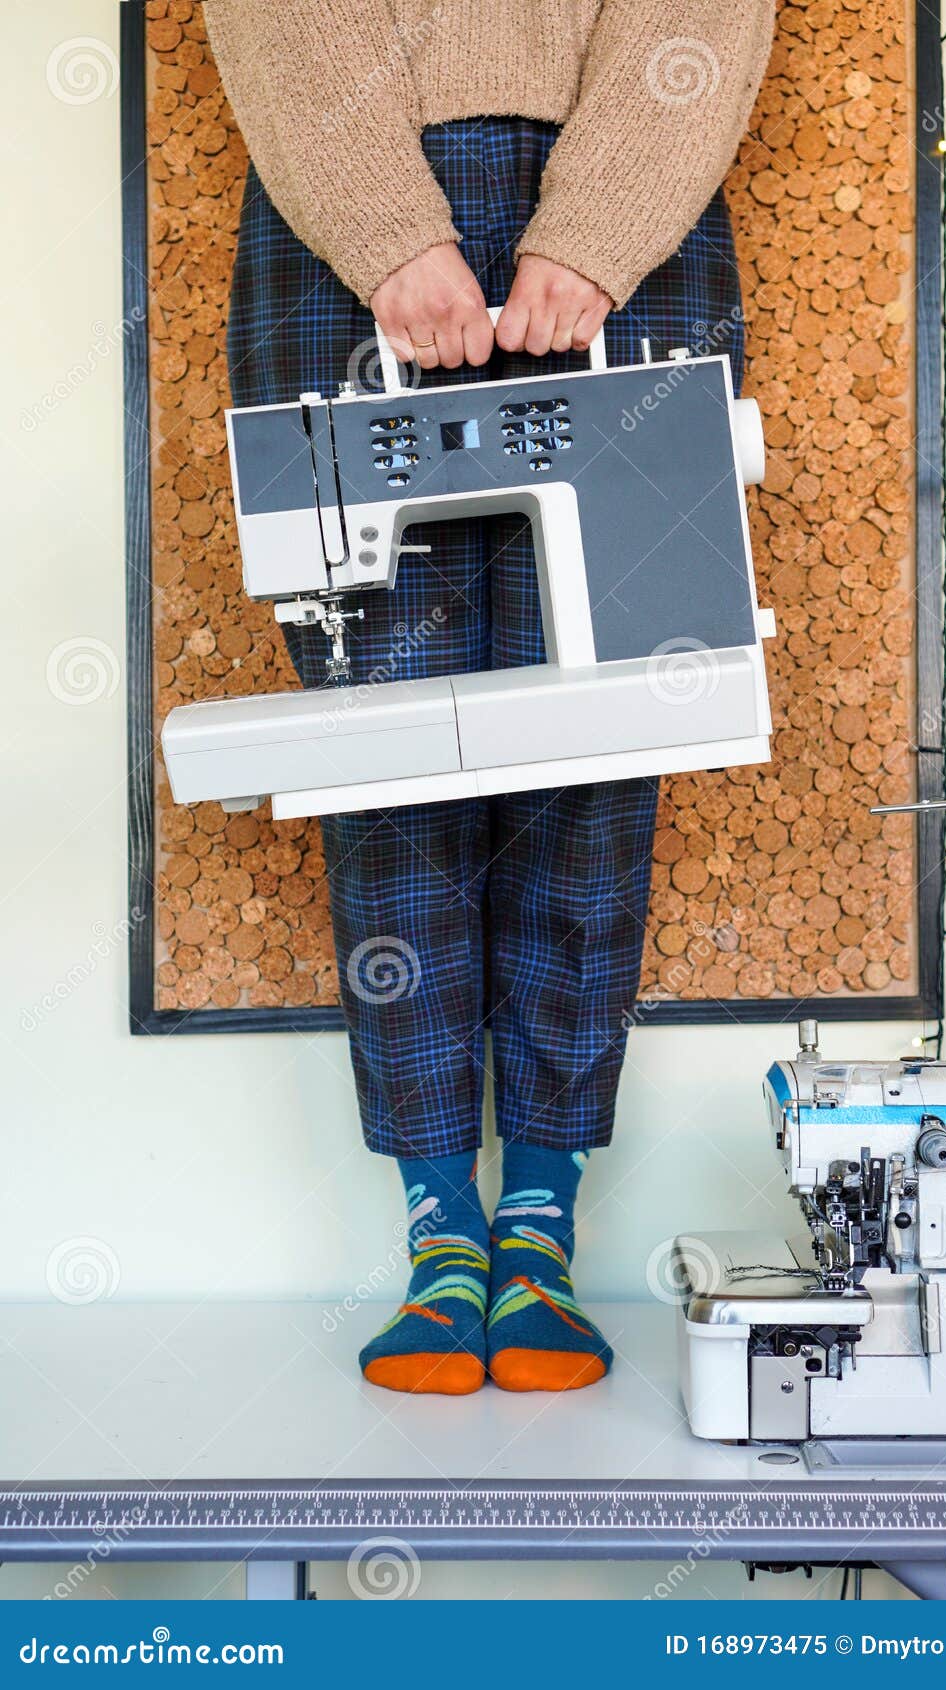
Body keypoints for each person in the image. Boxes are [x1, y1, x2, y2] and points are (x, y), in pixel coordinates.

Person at [204, 0, 773, 1396]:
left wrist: (606, 219)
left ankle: (539, 1222)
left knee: (606, 733)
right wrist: (384, 225)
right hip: (341, 214)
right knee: (383, 749)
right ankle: (441, 1229)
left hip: (635, 216)